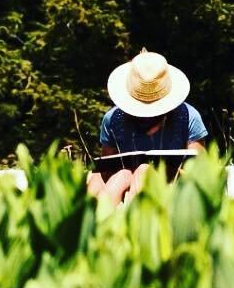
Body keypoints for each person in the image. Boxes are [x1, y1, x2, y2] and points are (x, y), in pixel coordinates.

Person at [86, 49, 208, 203]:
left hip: (174, 183)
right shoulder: (112, 119)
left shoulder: (189, 117)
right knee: (99, 180)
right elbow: (106, 167)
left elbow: (200, 175)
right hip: (123, 179)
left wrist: (160, 171)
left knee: (144, 172)